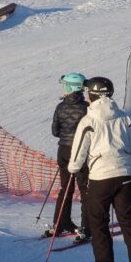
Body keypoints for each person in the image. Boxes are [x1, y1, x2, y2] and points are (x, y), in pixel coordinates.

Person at [69, 76, 131, 262]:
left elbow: (78, 154)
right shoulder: (124, 118)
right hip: (124, 176)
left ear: (92, 95)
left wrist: (73, 168)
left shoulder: (88, 120)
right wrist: (126, 168)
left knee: (99, 223)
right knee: (129, 222)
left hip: (100, 178)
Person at [48, 72, 89, 239]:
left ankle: (61, 223)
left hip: (63, 150)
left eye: (65, 86)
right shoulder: (87, 108)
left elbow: (55, 131)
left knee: (66, 188)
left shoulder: (60, 107)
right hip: (81, 151)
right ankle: (87, 226)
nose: (63, 89)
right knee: (85, 189)